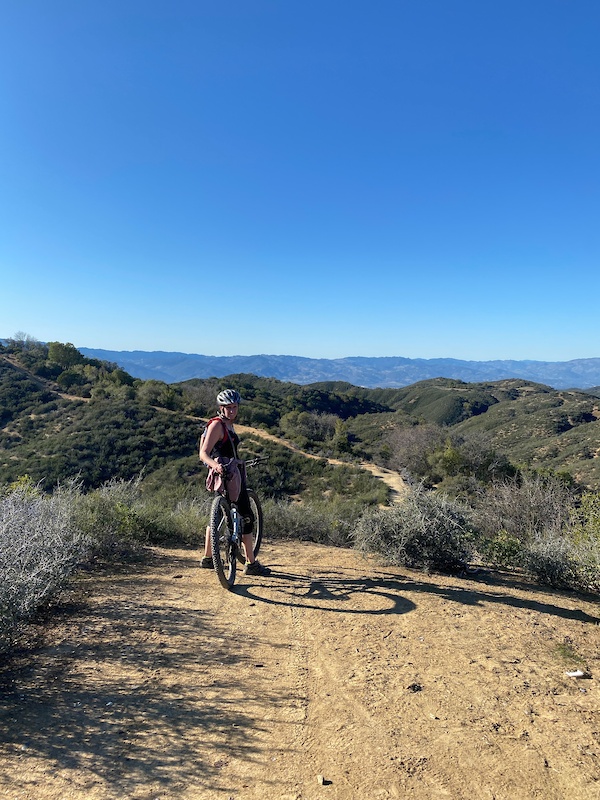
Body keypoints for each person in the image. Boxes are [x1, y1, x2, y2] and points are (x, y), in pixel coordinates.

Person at [199, 389, 271, 576]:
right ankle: (251, 563)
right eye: (228, 408)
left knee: (217, 518)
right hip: (226, 474)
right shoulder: (218, 425)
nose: (232, 411)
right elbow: (203, 453)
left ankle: (208, 558)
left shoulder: (227, 425)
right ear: (221, 408)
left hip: (227, 474)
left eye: (234, 407)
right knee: (246, 516)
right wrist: (215, 465)